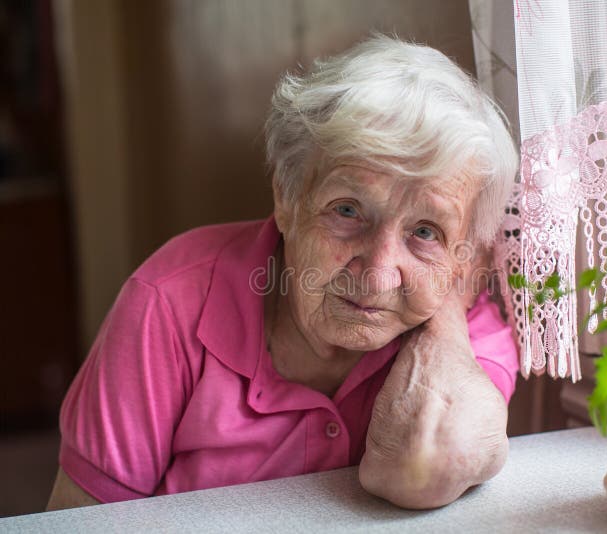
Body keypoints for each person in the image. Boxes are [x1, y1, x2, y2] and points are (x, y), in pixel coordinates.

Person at [47, 35, 519, 511]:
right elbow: (79, 519)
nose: (377, 276)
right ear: (287, 199)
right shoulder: (168, 303)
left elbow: (429, 464)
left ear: (465, 254)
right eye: (348, 210)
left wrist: (447, 310)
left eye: (425, 232)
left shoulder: (470, 336)